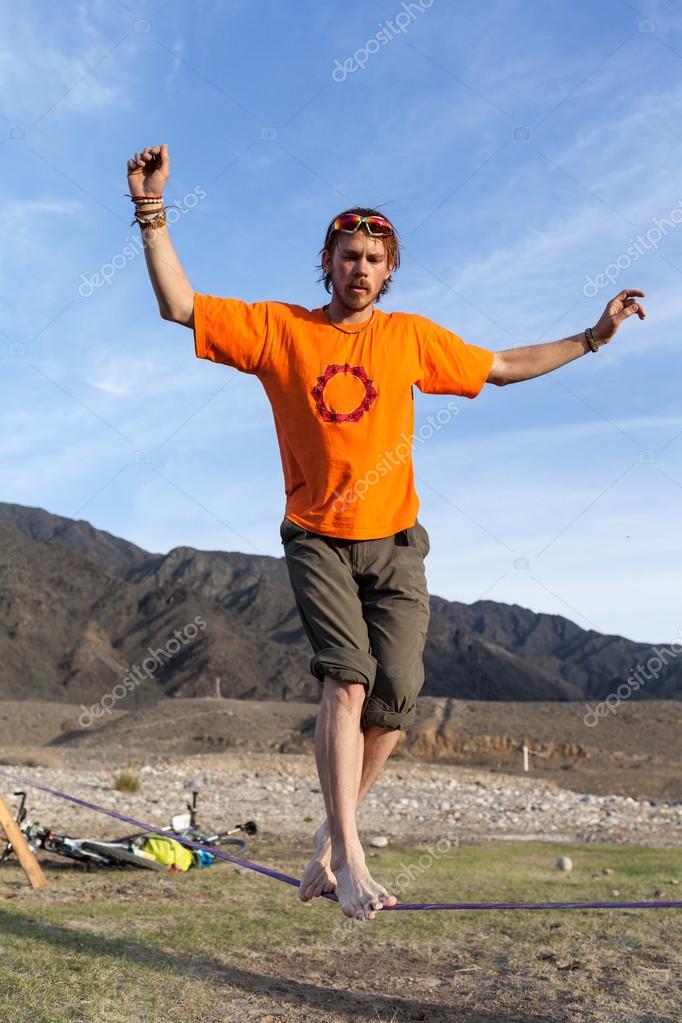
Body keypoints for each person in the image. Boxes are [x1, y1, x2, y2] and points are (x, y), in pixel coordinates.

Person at [127, 143, 647, 922]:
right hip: (318, 537)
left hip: (398, 541)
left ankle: (327, 839)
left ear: (389, 269)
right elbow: (180, 305)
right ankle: (352, 857)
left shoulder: (409, 337)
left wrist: (594, 336)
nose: (360, 268)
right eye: (348, 256)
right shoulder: (279, 330)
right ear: (327, 263)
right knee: (348, 679)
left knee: (396, 697)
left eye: (374, 258)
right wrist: (151, 208)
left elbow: (502, 366)